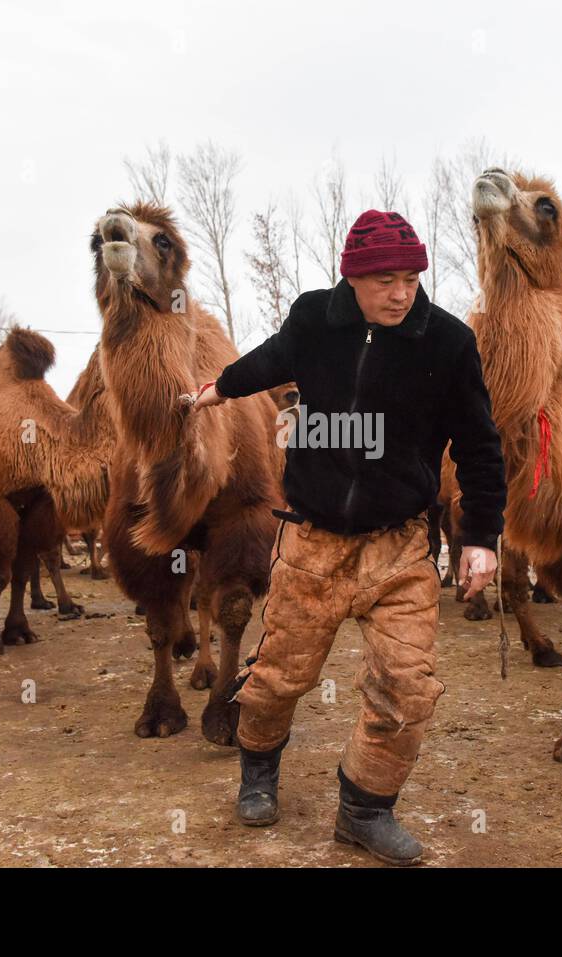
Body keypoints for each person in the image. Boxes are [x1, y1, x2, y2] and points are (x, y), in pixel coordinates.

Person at [189, 209, 506, 865]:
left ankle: (365, 809)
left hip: (401, 548)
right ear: (353, 278)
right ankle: (258, 772)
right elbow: (272, 357)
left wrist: (480, 535)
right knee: (280, 676)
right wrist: (222, 387)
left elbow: (480, 444)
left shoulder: (448, 342)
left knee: (407, 687)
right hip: (314, 543)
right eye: (386, 280)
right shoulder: (314, 318)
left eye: (411, 279)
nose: (401, 293)